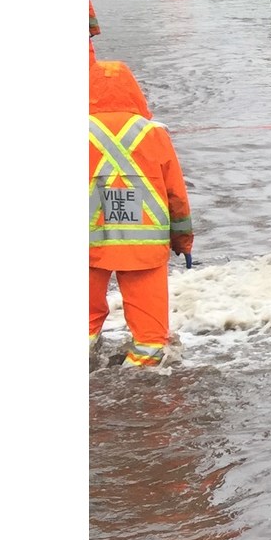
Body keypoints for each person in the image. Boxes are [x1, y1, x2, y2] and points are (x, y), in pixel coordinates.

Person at [89, 60, 194, 370]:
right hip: (145, 248)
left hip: (89, 244)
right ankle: (143, 389)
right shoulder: (154, 133)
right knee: (150, 340)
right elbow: (176, 195)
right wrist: (183, 241)